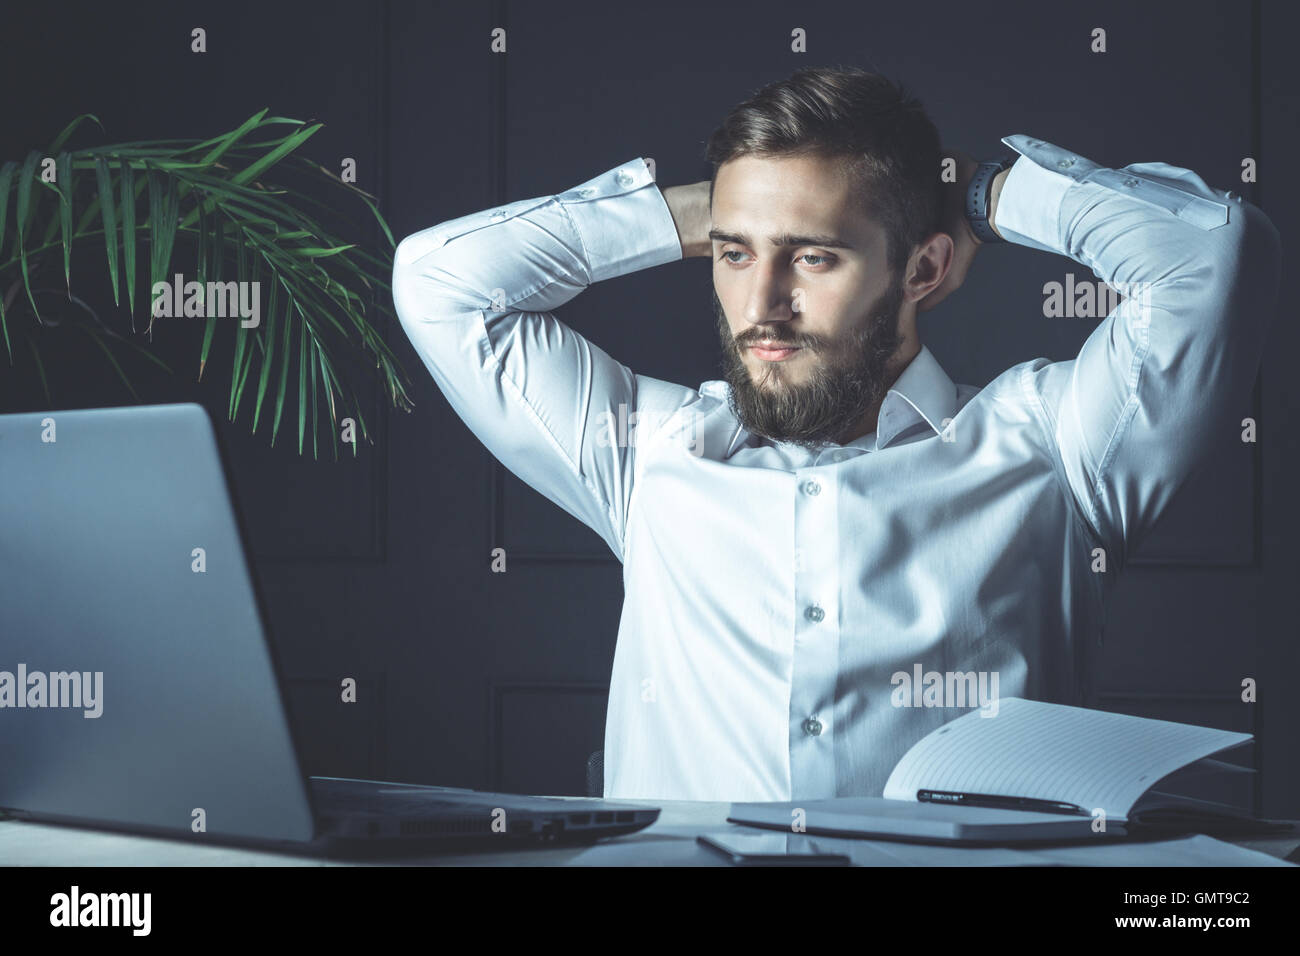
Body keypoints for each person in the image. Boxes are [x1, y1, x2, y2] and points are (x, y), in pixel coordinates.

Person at [391, 67, 1280, 802]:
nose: (760, 303)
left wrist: (979, 196)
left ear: (923, 268)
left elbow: (1212, 255)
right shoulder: (646, 451)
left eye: (812, 255)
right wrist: (699, 212)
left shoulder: (1056, 448)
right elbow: (439, 282)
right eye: (735, 254)